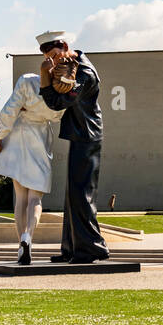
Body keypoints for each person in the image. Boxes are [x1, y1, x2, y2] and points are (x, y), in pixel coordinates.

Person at [36, 31, 110, 265]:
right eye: (50, 59)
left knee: (81, 195)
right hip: (80, 135)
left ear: (66, 46)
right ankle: (71, 248)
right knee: (72, 196)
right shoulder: (74, 65)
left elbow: (59, 102)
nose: (54, 62)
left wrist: (44, 77)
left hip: (88, 136)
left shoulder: (84, 72)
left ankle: (92, 248)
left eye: (55, 55)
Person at [0, 70, 66, 265]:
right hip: (39, 139)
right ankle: (27, 237)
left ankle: (21, 245)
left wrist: (0, 136)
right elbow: (57, 117)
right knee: (35, 198)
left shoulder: (27, 81)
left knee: (21, 197)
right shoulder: (60, 93)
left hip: (18, 136)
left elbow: (9, 110)